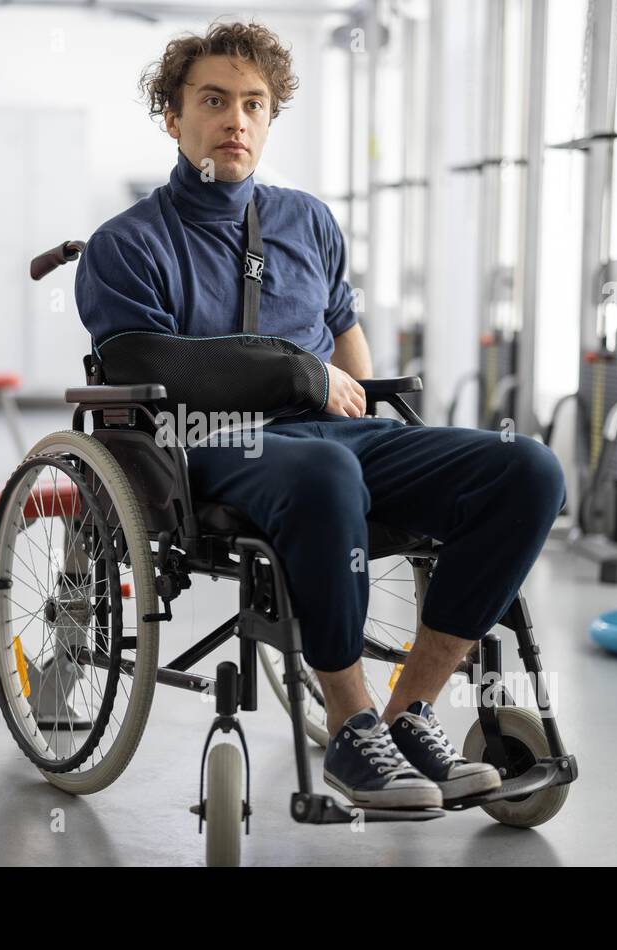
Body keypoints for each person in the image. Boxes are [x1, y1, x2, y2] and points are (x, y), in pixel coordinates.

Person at [75, 21, 565, 810]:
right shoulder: (126, 244)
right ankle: (349, 721)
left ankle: (407, 713)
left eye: (254, 104)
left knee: (528, 469)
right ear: (173, 116)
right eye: (213, 100)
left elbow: (350, 344)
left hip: (330, 441)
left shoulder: (308, 222)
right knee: (328, 468)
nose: (236, 119)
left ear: (270, 118)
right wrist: (299, 374)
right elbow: (145, 365)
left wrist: (372, 427)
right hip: (206, 443)